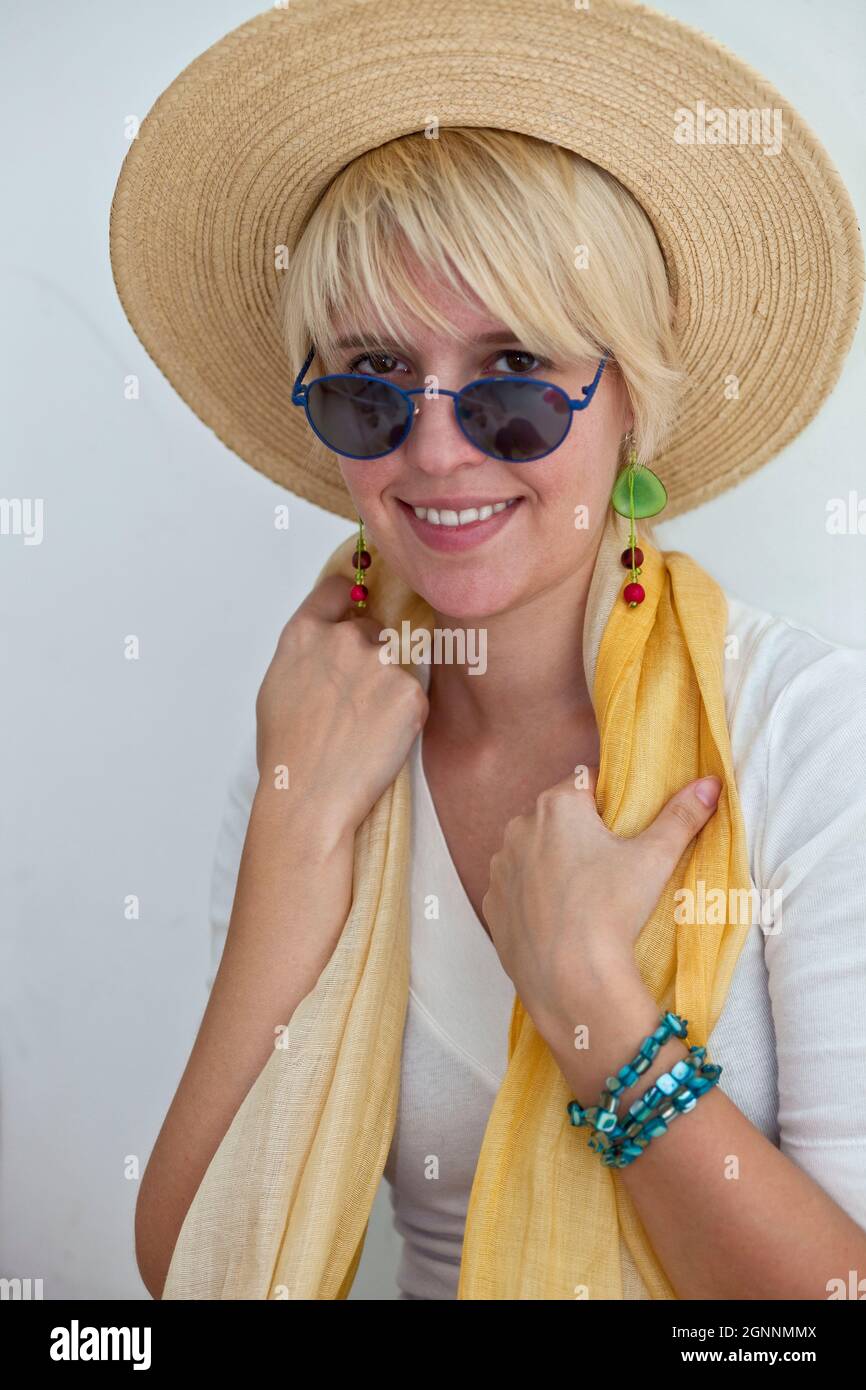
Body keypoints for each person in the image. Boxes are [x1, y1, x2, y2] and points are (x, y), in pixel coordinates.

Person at [110, 3, 866, 1300]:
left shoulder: (802, 734)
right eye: (370, 379)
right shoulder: (321, 740)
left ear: (627, 396)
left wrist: (590, 1002)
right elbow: (193, 1275)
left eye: (513, 372)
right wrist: (294, 833)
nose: (438, 447)